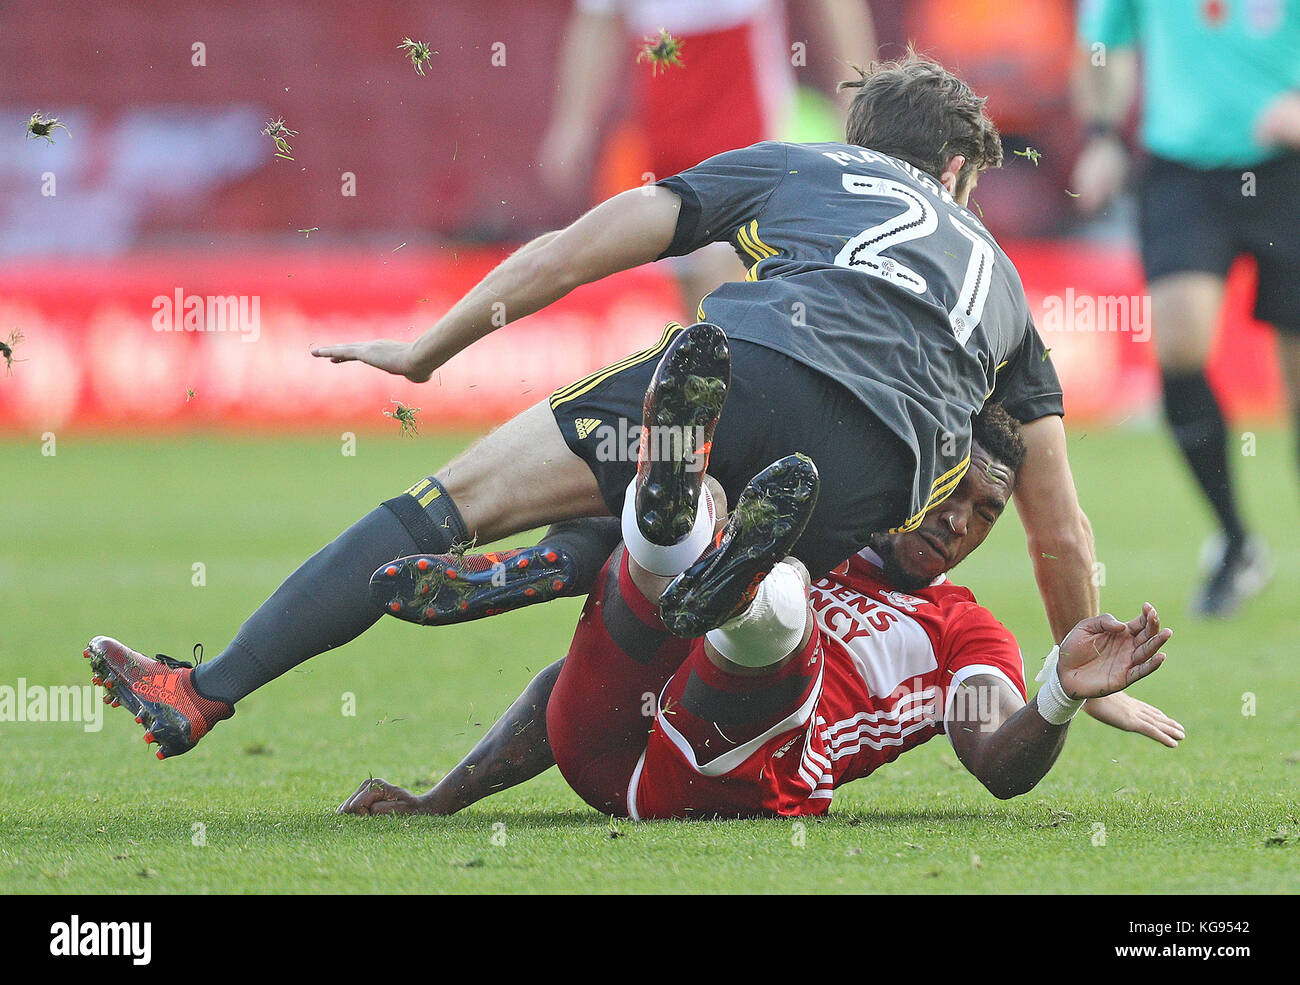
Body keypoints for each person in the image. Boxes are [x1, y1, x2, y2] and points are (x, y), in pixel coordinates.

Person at [87, 55, 1133, 762]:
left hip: (756, 364)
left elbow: (573, 250)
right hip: (869, 480)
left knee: (452, 499)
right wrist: (1088, 676)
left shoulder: (803, 164)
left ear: (862, 137)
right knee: (723, 570)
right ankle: (692, 561)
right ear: (956, 171)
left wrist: (427, 350)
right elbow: (1061, 528)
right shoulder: (1007, 293)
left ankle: (208, 686)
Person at [339, 394, 1178, 820]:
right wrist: (433, 802)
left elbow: (997, 762)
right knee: (693, 544)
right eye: (953, 492)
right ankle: (660, 522)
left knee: (777, 599)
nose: (961, 522)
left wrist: (1059, 696)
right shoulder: (832, 525)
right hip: (606, 756)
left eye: (988, 512)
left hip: (737, 782)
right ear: (919, 472)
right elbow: (563, 683)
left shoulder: (964, 630)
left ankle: (670, 539)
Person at [1071, 0, 1300, 616]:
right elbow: (1104, 45)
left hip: (1290, 172)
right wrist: (1102, 135)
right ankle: (1234, 538)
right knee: (1178, 346)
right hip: (1183, 173)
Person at [538, 0, 879, 312]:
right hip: (666, 119)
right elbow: (598, 21)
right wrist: (573, 125)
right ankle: (721, 369)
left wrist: (855, 93)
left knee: (729, 270)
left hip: (742, 107)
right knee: (691, 281)